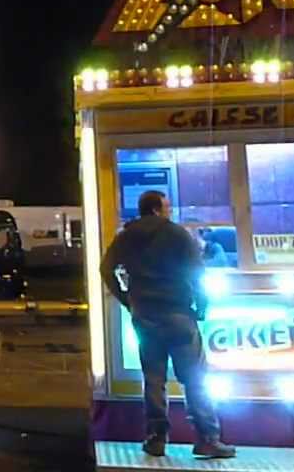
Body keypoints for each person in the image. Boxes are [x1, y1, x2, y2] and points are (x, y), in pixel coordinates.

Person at [100, 191, 235, 459]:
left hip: (145, 316)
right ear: (156, 209)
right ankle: (207, 438)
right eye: (167, 207)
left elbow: (106, 269)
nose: (169, 211)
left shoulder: (126, 236)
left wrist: (126, 299)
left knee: (153, 380)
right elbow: (197, 273)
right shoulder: (177, 234)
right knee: (194, 378)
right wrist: (202, 307)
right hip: (178, 315)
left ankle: (156, 438)